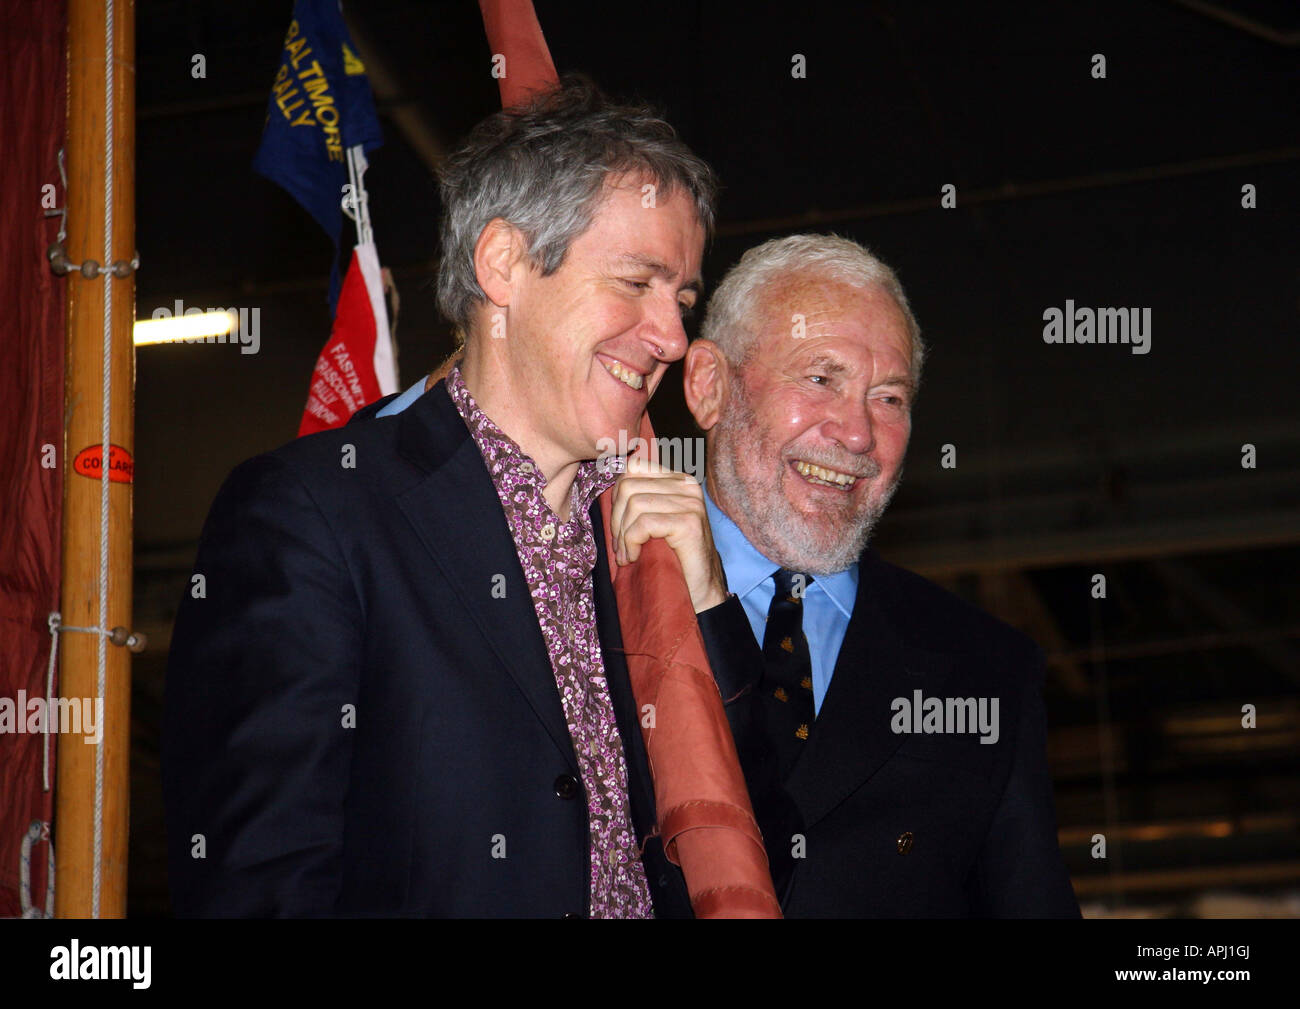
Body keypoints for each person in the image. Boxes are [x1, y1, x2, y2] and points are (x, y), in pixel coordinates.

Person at [162, 79, 718, 918]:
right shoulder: (313, 515)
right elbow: (261, 884)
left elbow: (760, 848)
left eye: (681, 299)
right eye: (637, 282)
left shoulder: (660, 542)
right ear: (504, 265)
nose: (673, 337)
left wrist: (709, 615)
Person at [681, 233, 1082, 916]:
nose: (860, 434)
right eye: (820, 378)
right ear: (708, 385)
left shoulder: (984, 668)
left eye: (890, 398)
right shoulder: (593, 607)